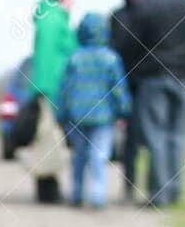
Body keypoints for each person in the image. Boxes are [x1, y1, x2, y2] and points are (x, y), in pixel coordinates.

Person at [127, 0, 185, 207]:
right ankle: (175, 191)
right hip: (182, 76)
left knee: (156, 136)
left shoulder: (145, 7)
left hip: (153, 78)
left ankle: (160, 195)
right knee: (177, 136)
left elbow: (133, 46)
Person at [56, 13, 132, 210]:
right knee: (99, 156)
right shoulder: (111, 58)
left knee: (79, 156)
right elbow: (118, 88)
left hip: (76, 117)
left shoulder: (74, 58)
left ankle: (76, 193)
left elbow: (64, 89)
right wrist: (124, 111)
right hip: (103, 118)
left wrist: (61, 114)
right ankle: (97, 196)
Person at [26, 0, 79, 205]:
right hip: (51, 89)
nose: (74, 0)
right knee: (49, 139)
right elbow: (48, 58)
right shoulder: (52, 18)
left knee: (50, 139)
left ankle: (49, 189)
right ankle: (47, 192)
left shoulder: (53, 16)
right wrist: (48, 91)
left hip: (53, 88)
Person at [108, 0, 150, 202]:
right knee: (130, 141)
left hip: (149, 84)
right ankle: (129, 187)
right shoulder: (118, 16)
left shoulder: (153, 15)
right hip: (126, 85)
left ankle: (156, 188)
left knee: (153, 138)